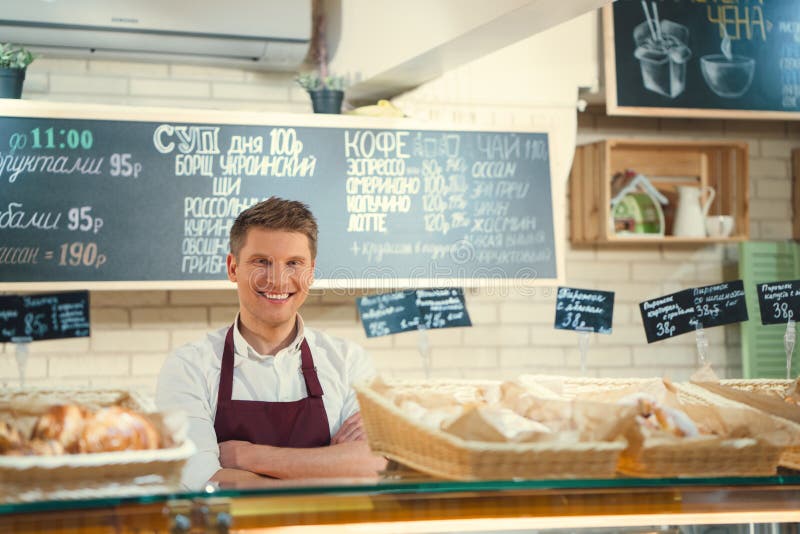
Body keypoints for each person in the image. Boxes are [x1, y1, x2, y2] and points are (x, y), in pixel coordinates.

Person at [157, 197, 386, 489]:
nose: (278, 280)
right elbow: (201, 481)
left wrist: (248, 456)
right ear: (232, 268)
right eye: (261, 262)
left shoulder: (349, 362)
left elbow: (374, 466)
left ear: (311, 272)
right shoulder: (189, 367)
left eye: (294, 263)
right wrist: (329, 466)